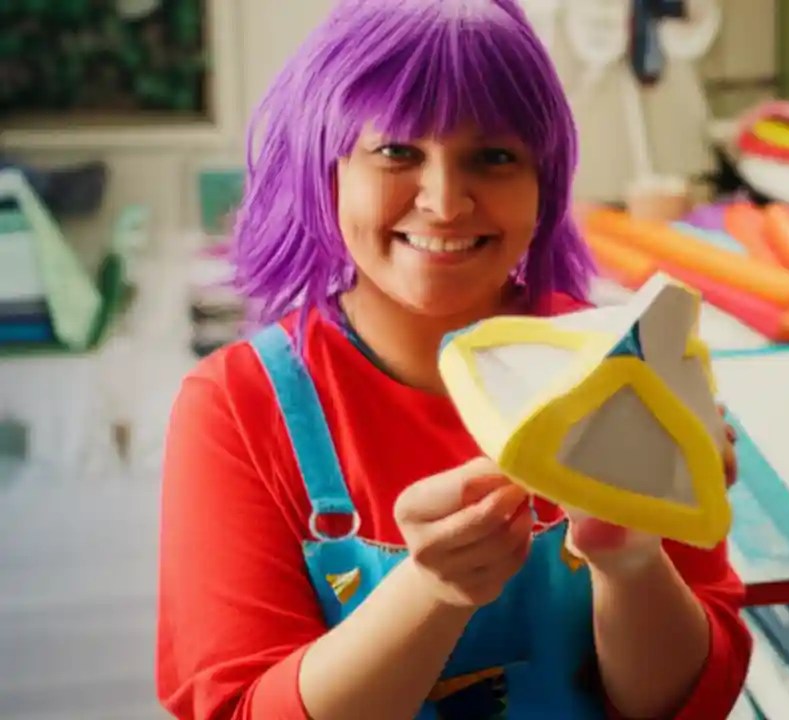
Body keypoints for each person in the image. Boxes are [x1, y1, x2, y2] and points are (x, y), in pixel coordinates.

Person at [154, 1, 751, 719]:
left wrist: (626, 553)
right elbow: (238, 708)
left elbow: (692, 701)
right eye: (397, 152)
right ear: (328, 167)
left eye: (493, 156)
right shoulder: (237, 408)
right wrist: (430, 592)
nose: (443, 201)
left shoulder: (622, 365)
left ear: (544, 183)